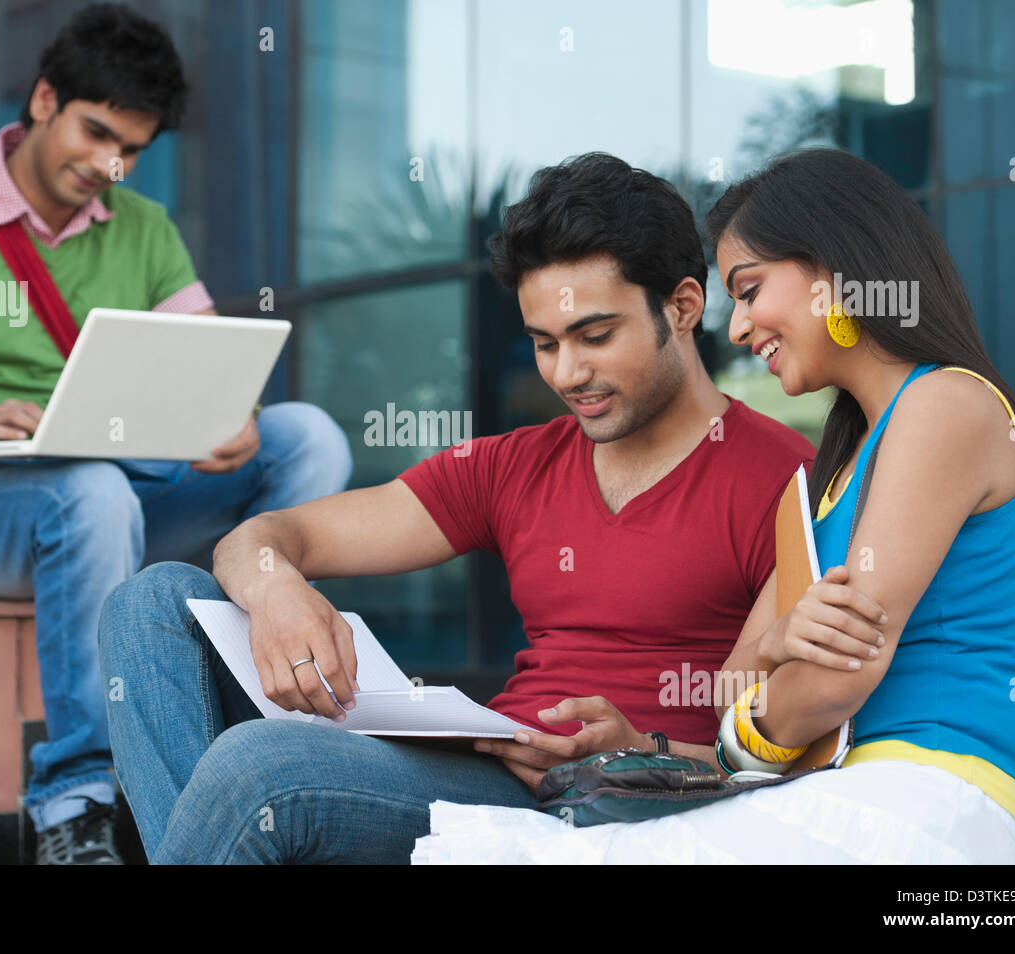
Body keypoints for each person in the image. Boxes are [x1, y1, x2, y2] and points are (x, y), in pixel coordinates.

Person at [98, 152, 819, 864]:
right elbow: (265, 536)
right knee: (152, 602)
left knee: (258, 770)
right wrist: (278, 586)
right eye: (545, 343)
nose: (568, 374)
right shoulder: (514, 465)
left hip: (626, 794)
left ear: (683, 307)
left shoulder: (786, 479)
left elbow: (784, 743)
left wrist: (643, 749)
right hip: (484, 770)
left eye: (596, 337)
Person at [0, 3, 350, 864]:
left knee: (305, 435)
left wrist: (224, 423)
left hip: (114, 499)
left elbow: (207, 368)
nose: (108, 164)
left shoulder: (144, 229)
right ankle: (74, 803)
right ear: (44, 99)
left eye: (131, 148)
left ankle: (265, 727)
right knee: (87, 492)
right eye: (95, 133)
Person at [410, 148, 1015, 865]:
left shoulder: (946, 406)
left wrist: (773, 691)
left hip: (917, 808)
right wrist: (775, 654)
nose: (740, 328)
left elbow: (836, 680)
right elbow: (736, 684)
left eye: (749, 290)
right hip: (829, 798)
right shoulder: (827, 479)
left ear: (833, 269)